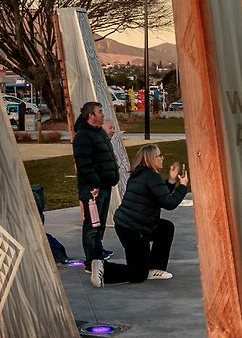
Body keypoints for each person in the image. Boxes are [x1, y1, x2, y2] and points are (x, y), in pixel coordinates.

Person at [96, 144, 187, 286]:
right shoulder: (151, 177)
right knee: (138, 274)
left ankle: (155, 269)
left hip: (129, 225)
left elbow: (159, 196)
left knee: (165, 227)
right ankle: (104, 270)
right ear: (151, 158)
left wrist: (171, 181)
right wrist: (182, 186)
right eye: (159, 155)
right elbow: (169, 203)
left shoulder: (140, 173)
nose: (162, 158)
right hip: (133, 229)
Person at [71, 101, 120, 269]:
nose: (102, 114)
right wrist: (95, 184)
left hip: (104, 186)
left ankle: (99, 256)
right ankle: (91, 261)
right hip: (93, 189)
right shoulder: (83, 136)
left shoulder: (98, 133)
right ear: (91, 116)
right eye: (99, 112)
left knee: (100, 225)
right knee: (92, 225)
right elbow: (84, 164)